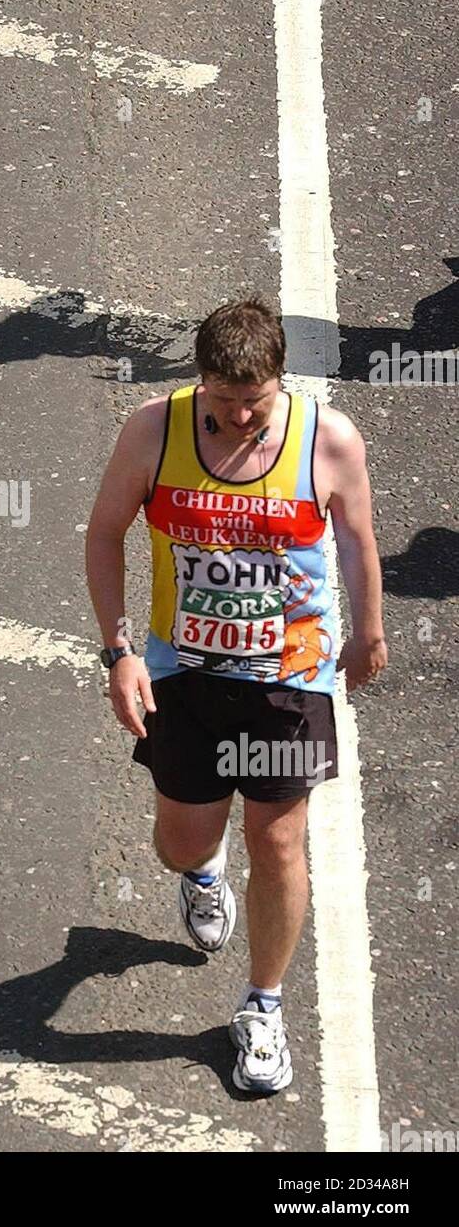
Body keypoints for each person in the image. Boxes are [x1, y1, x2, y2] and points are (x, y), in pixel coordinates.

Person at [85, 298, 387, 1093]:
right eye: (223, 400)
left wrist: (368, 632)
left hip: (287, 679)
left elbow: (355, 540)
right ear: (200, 380)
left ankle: (262, 1007)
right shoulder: (154, 430)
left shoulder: (328, 439)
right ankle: (200, 871)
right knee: (181, 842)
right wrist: (119, 651)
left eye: (253, 400)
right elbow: (103, 531)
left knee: (279, 842)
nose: (240, 414)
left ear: (279, 378)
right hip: (183, 677)